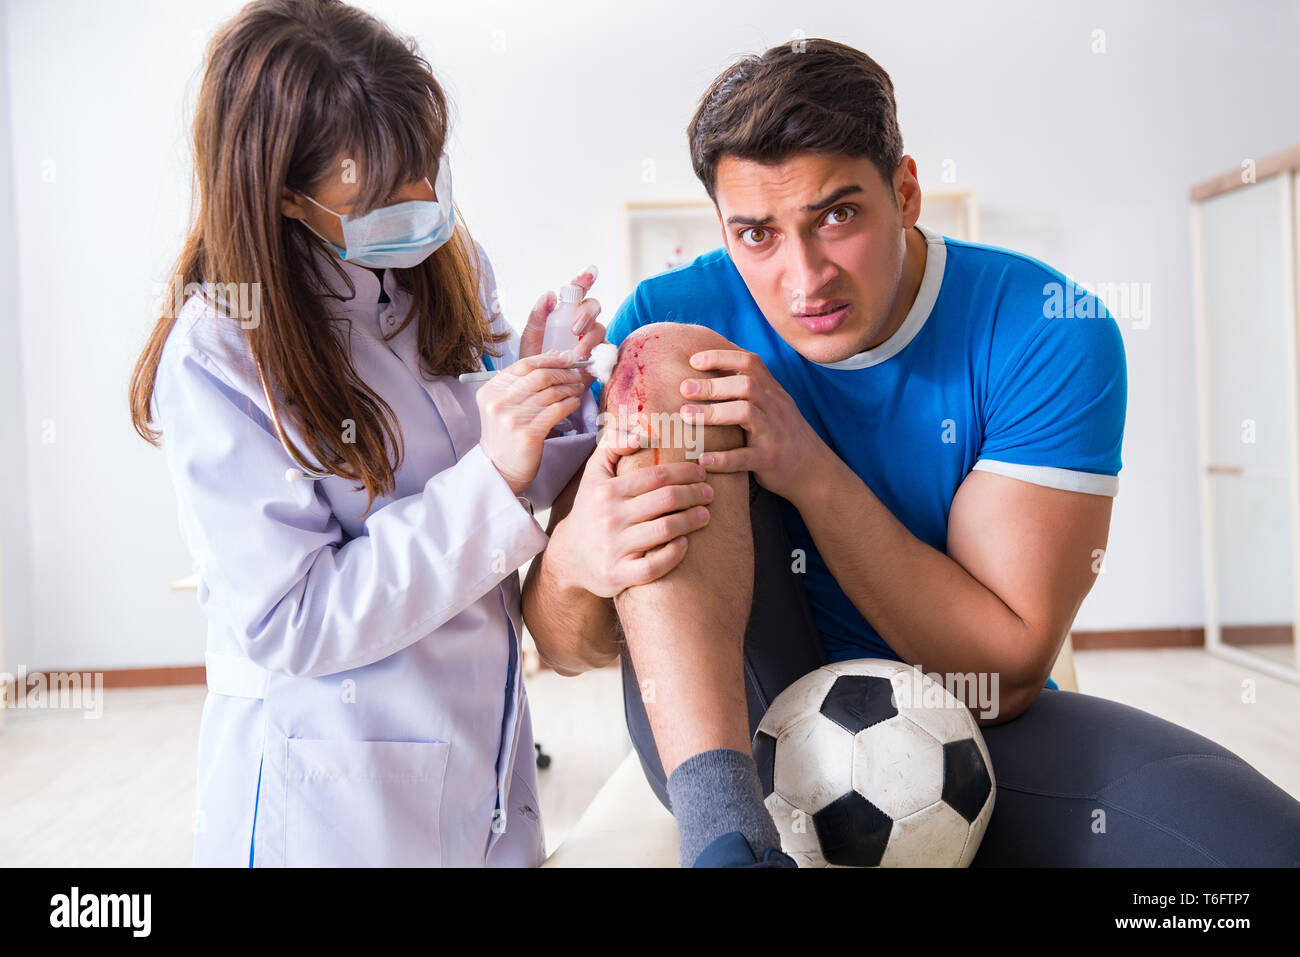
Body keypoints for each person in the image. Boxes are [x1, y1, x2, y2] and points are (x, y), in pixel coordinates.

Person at [523, 38, 1300, 867]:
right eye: (756, 234)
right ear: (719, 224)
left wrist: (809, 467)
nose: (804, 276)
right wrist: (575, 554)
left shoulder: (1044, 325)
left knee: (1257, 848)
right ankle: (725, 843)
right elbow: (570, 646)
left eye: (837, 215)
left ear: (906, 190)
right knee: (669, 355)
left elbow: (1003, 675)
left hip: (957, 718)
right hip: (744, 731)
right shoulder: (673, 314)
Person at [129, 0, 606, 866]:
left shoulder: (435, 272)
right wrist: (493, 476)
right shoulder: (220, 350)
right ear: (282, 191)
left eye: (425, 167)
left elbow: (499, 483)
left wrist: (545, 391)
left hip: (482, 765)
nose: (423, 204)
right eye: (384, 189)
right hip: (336, 801)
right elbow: (294, 618)